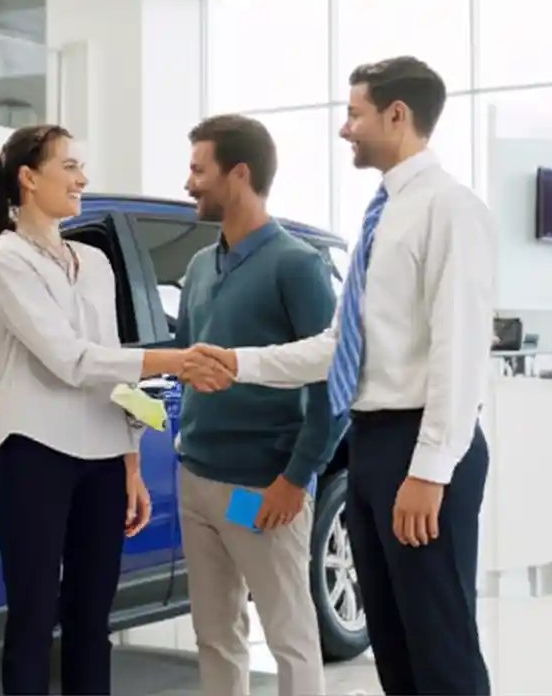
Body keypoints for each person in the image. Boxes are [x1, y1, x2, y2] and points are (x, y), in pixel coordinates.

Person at [187, 56, 497, 695]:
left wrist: (430, 469)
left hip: (418, 446)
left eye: (354, 114)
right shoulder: (384, 214)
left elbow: (459, 350)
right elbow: (338, 348)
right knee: (393, 641)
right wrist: (237, 361)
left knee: (440, 645)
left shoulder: (449, 209)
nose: (344, 129)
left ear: (397, 115)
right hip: (374, 445)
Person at [0, 124, 231, 695]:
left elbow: (111, 367)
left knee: (93, 624)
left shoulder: (93, 262)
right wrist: (175, 360)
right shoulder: (3, 260)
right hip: (32, 457)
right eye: (69, 166)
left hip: (102, 460)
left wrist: (131, 459)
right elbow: (69, 360)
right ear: (28, 177)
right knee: (34, 622)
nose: (82, 178)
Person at [171, 114, 339, 696]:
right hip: (196, 483)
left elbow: (333, 386)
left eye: (199, 170)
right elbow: (187, 365)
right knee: (215, 635)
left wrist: (295, 480)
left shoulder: (296, 266)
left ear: (238, 174)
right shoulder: (197, 268)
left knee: (289, 634)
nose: (189, 183)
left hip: (260, 491)